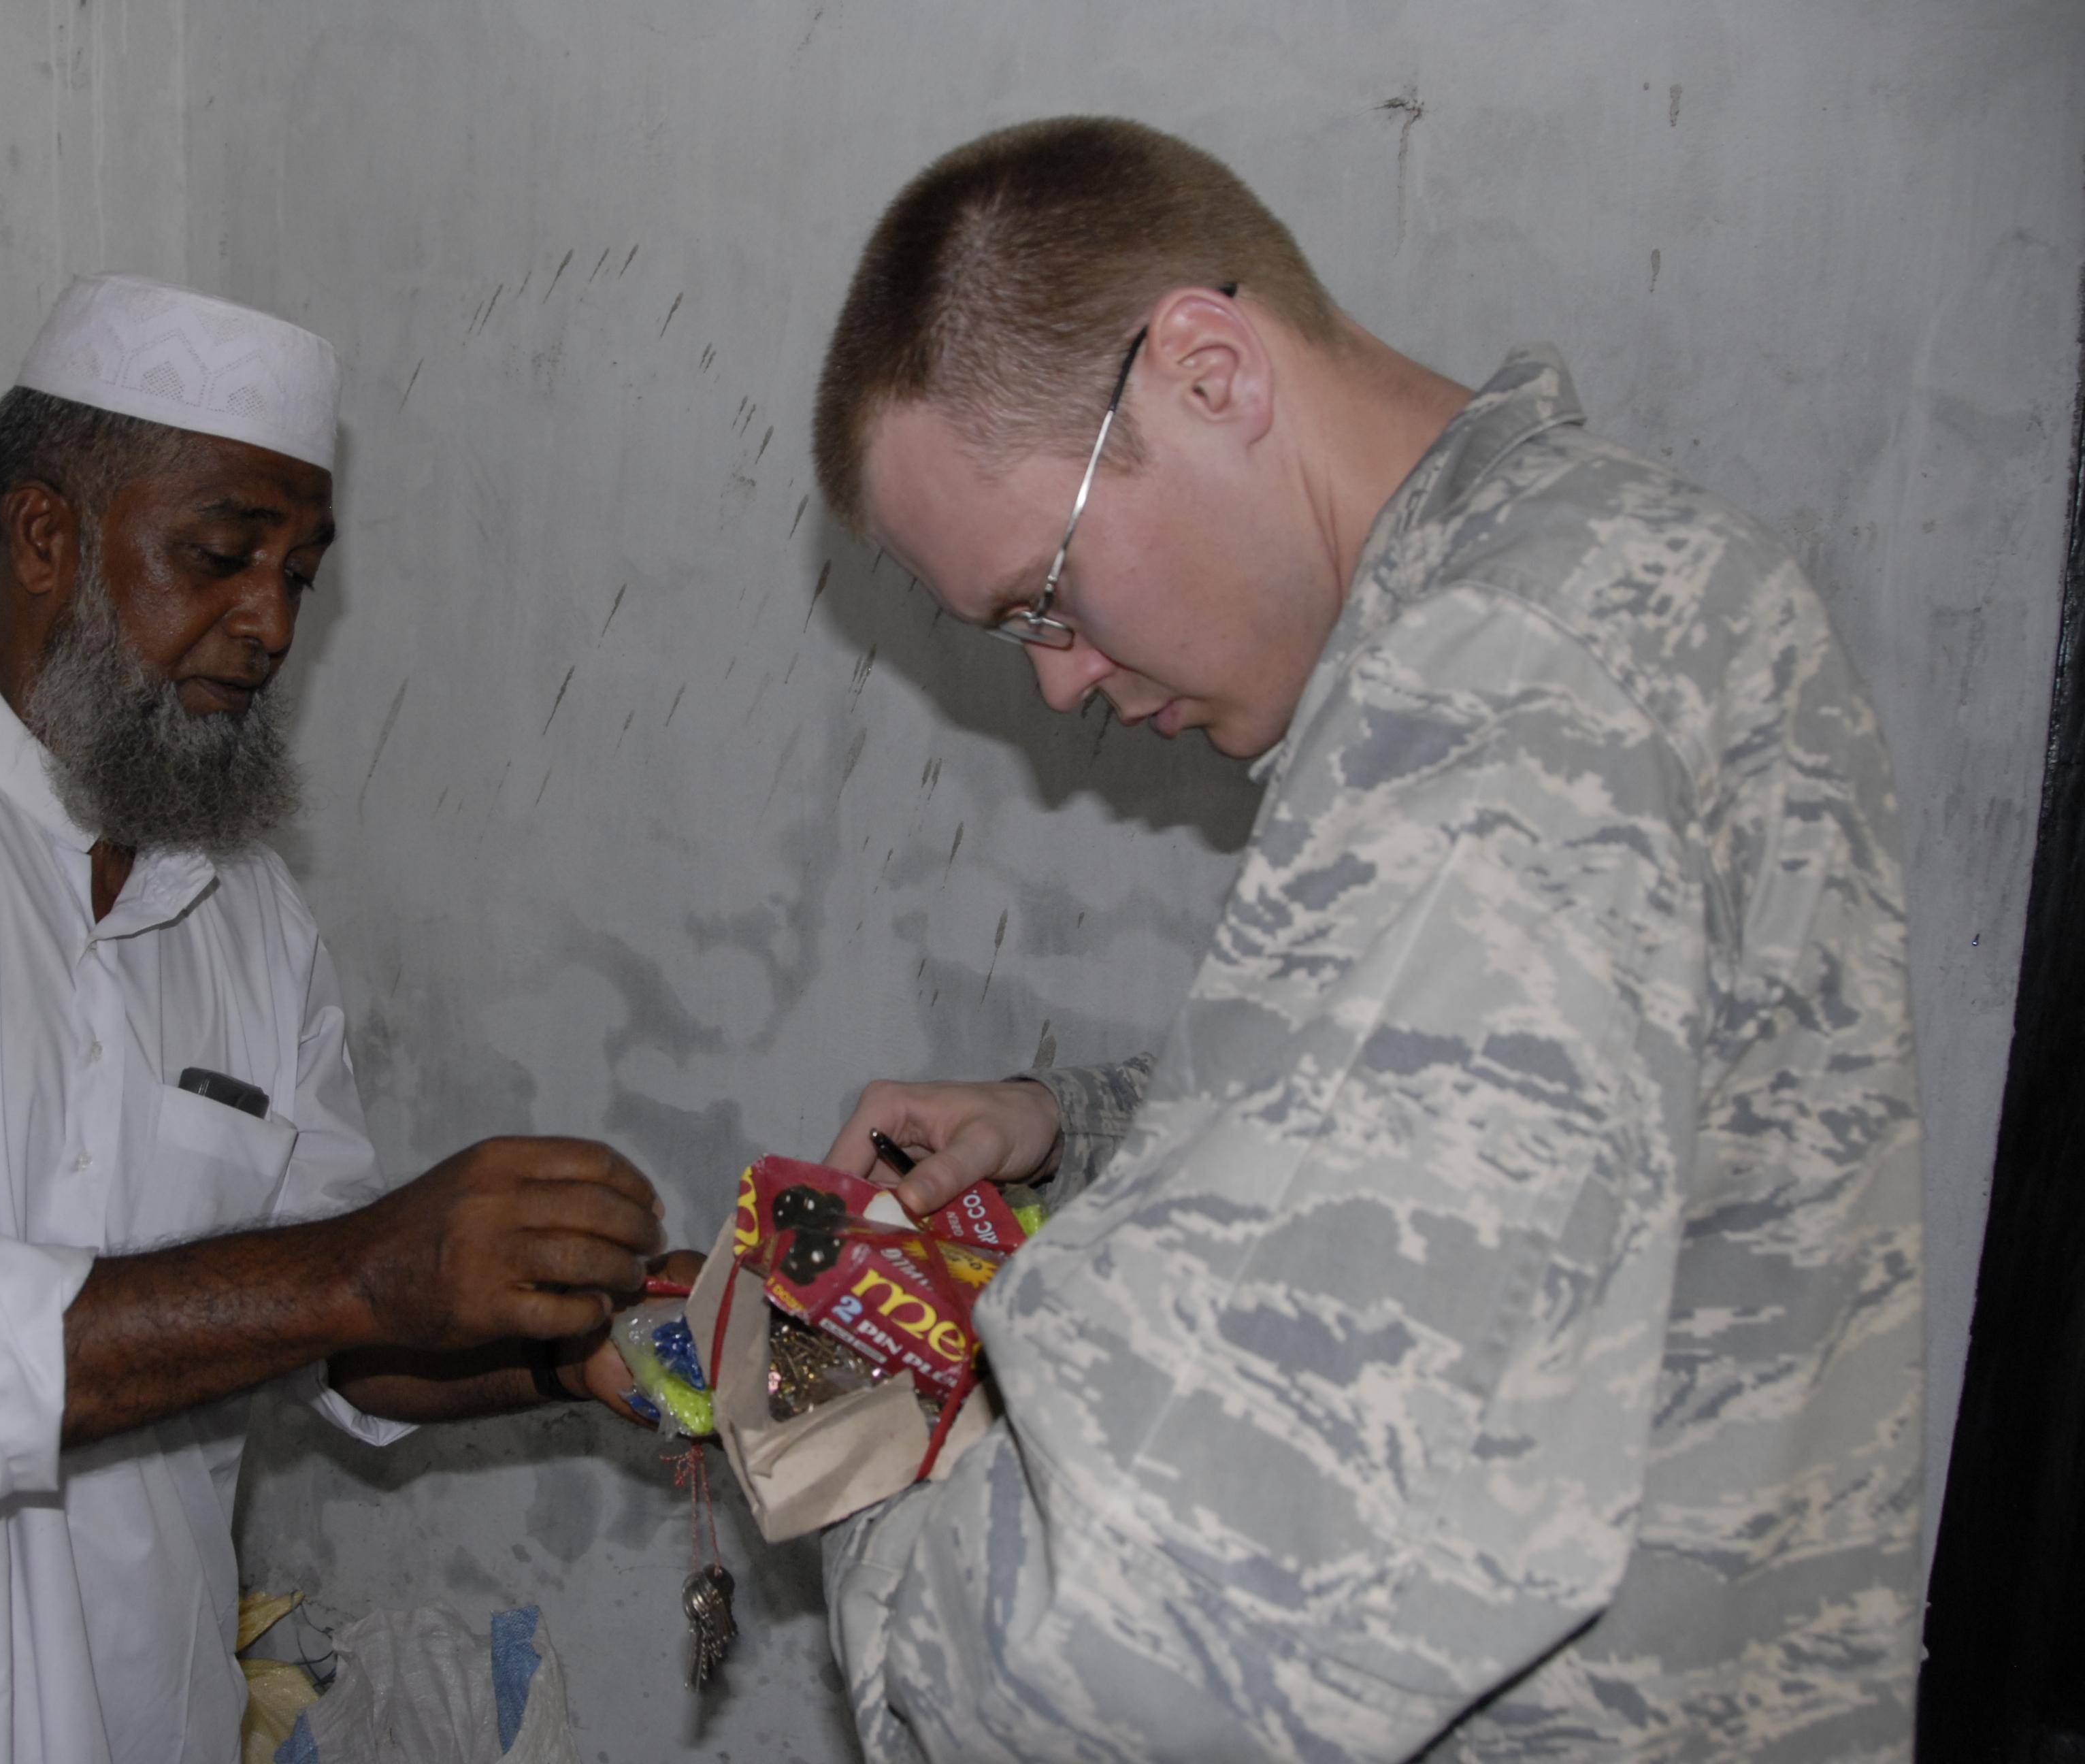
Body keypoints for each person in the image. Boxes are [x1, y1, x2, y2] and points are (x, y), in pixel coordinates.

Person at [806, 119, 1922, 1761]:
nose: (1057, 680)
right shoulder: (1605, 588)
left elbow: (1156, 1651)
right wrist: (1065, 1137)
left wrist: (837, 1427)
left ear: (1206, 371)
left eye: (1042, 595)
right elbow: (1514, 1146)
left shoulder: (1500, 701)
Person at [0, 274, 676, 1764]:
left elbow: (330, 1327)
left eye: (301, 574)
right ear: (45, 536)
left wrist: (570, 1345)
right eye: (219, 555)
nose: (269, 621)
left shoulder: (248, 916)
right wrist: (357, 1270)